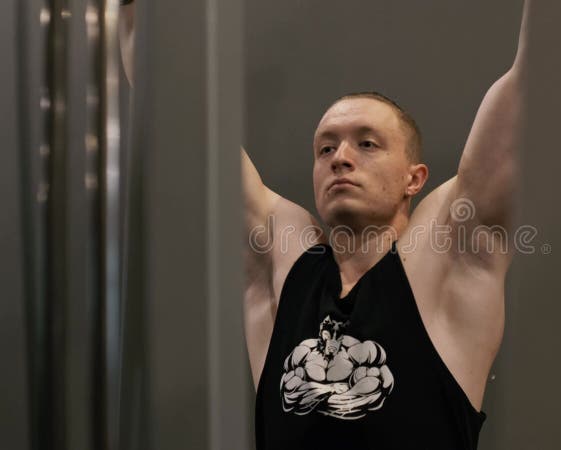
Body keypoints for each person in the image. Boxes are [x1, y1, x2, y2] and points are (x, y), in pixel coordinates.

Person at [120, 1, 530, 448]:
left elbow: (535, 79)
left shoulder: (448, 262)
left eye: (367, 144)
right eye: (325, 149)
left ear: (414, 179)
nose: (341, 159)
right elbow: (175, 110)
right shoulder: (282, 266)